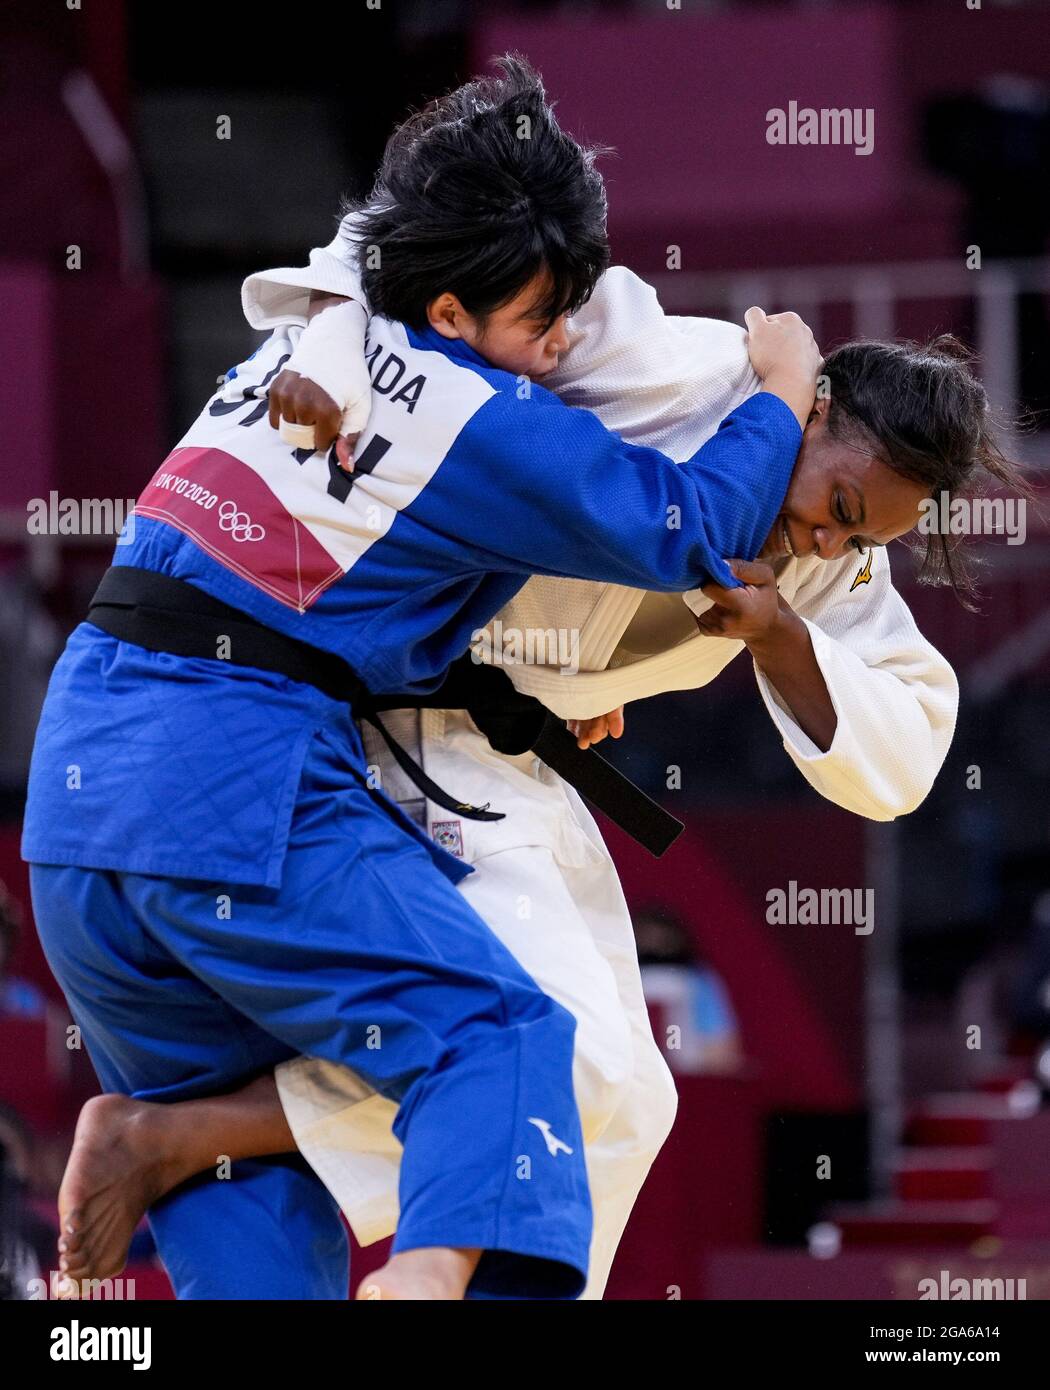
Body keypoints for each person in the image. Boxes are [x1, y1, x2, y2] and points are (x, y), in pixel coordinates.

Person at [51, 199, 1025, 1298]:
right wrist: (325, 344)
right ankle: (194, 1145)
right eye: (838, 505)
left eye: (865, 538)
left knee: (636, 1098)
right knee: (553, 1047)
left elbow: (906, 747)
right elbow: (404, 229)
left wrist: (786, 641)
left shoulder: (829, 562)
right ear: (813, 408)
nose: (830, 541)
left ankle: (195, 1140)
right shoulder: (659, 358)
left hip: (499, 754)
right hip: (385, 713)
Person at [26, 57, 815, 1301]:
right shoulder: (473, 413)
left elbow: (334, 597)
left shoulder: (302, 350)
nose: (558, 343)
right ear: (450, 315)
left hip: (76, 807)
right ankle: (432, 1280)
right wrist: (782, 389)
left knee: (240, 1178)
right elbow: (689, 524)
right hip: (231, 786)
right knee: (501, 1038)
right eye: (540, 317)